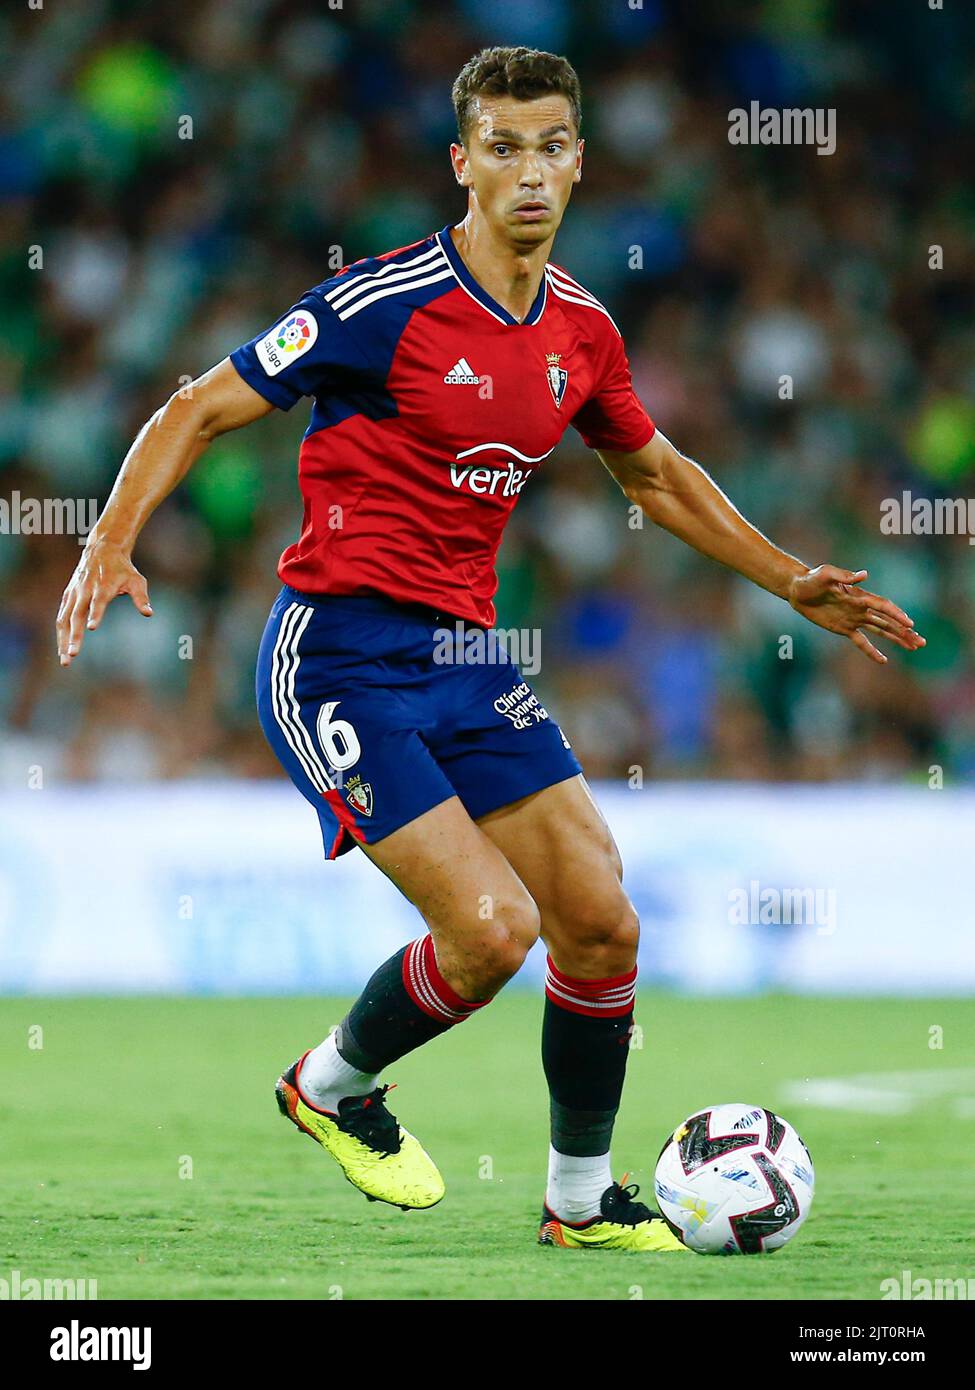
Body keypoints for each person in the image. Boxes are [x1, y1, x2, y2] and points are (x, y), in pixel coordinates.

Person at [56, 46, 925, 1251]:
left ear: (578, 161)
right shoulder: (382, 303)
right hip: (337, 656)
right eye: (504, 149)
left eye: (553, 146)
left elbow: (654, 472)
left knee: (601, 921)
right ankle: (330, 1083)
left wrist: (792, 580)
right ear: (463, 164)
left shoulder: (581, 331)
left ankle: (578, 1205)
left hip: (465, 657)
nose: (530, 172)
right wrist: (110, 536)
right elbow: (199, 404)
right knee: (491, 932)